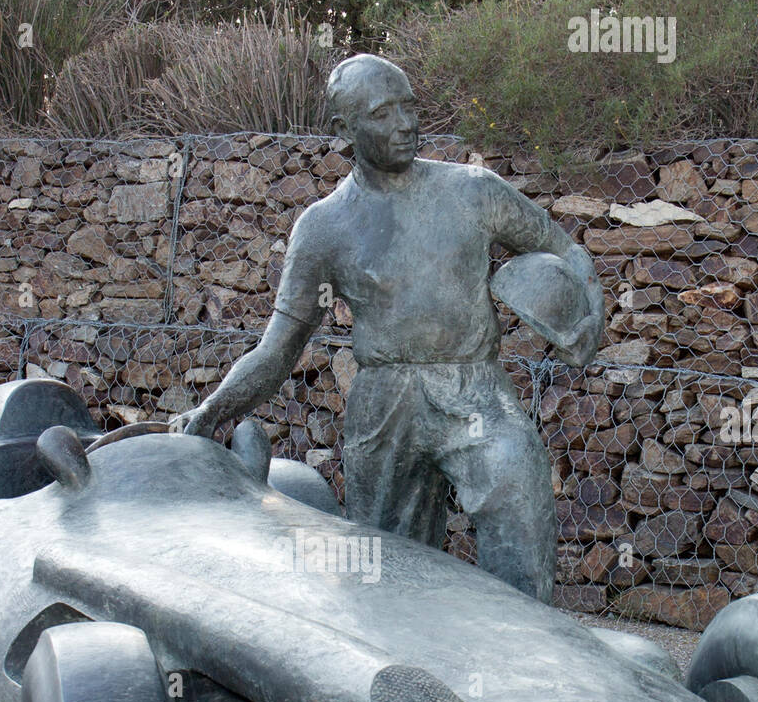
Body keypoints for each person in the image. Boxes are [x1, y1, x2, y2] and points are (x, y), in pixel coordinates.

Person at [170, 53, 603, 602]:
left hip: (475, 392)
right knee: (384, 572)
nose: (405, 124)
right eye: (382, 113)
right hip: (385, 404)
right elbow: (278, 351)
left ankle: (526, 662)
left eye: (409, 106)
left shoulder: (474, 191)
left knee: (516, 478)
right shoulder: (324, 227)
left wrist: (591, 313)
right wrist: (214, 410)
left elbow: (564, 247)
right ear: (343, 131)